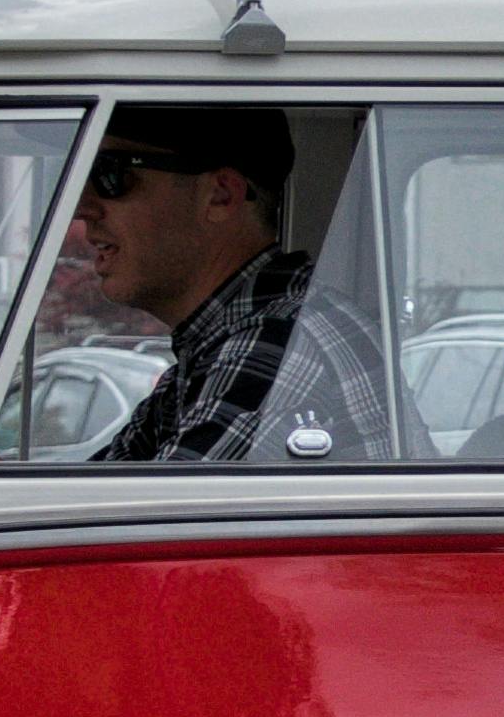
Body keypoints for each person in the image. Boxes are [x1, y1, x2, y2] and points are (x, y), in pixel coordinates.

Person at [75, 107, 390, 463]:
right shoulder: (217, 345)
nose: (82, 207)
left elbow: (156, 515)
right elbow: (105, 490)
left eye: (109, 174)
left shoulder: (280, 343)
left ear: (221, 196)